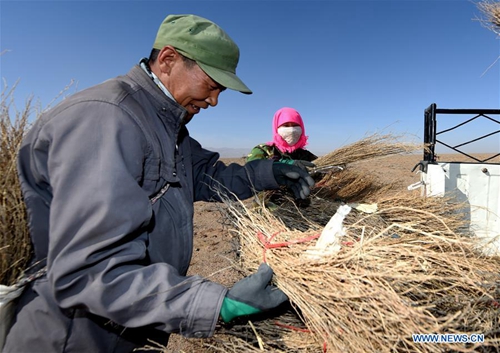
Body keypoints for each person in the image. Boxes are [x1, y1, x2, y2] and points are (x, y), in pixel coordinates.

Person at [4, 14, 315, 353]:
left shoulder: (168, 127)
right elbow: (90, 271)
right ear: (168, 60)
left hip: (126, 327)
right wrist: (216, 305)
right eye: (211, 85)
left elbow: (208, 175)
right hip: (70, 337)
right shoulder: (108, 119)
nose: (214, 101)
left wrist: (271, 174)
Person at [246, 107, 318, 168]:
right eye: (286, 125)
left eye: (295, 125)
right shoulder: (264, 151)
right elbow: (251, 170)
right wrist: (285, 165)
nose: (292, 130)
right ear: (276, 128)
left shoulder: (306, 155)